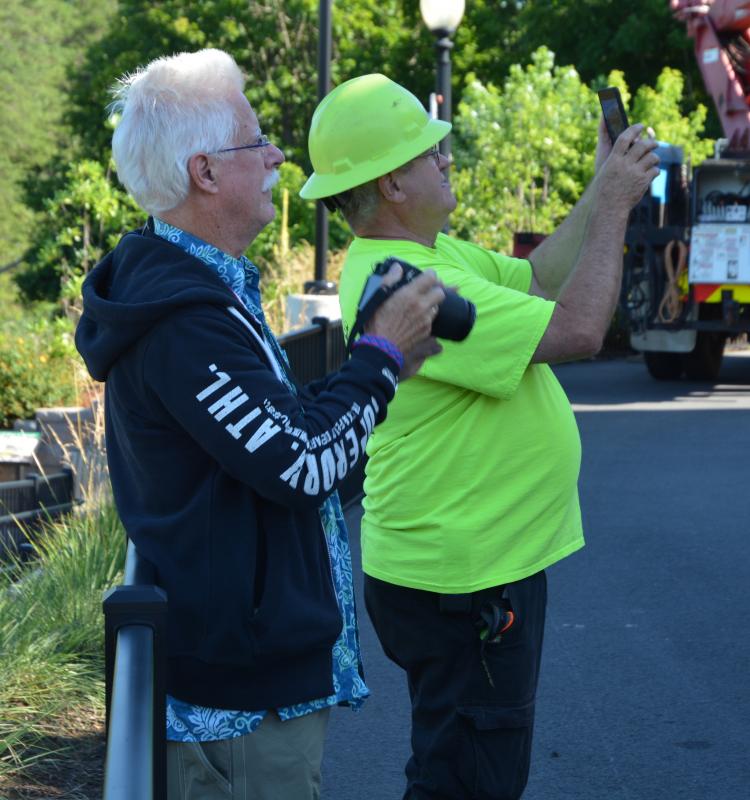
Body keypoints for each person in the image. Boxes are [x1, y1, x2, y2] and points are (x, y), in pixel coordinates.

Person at [75, 52, 446, 800]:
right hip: (240, 707)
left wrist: (374, 365)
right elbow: (303, 463)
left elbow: (281, 432)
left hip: (247, 685)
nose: (278, 155)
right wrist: (377, 357)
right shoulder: (184, 324)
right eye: (257, 141)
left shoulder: (201, 291)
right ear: (205, 172)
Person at [299, 73, 659, 800]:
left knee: (460, 763)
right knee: (468, 781)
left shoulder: (427, 254)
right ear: (392, 184)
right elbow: (579, 328)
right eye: (430, 151)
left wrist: (599, 183)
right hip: (463, 580)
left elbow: (536, 276)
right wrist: (619, 205)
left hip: (466, 568)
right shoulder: (412, 284)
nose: (446, 157)